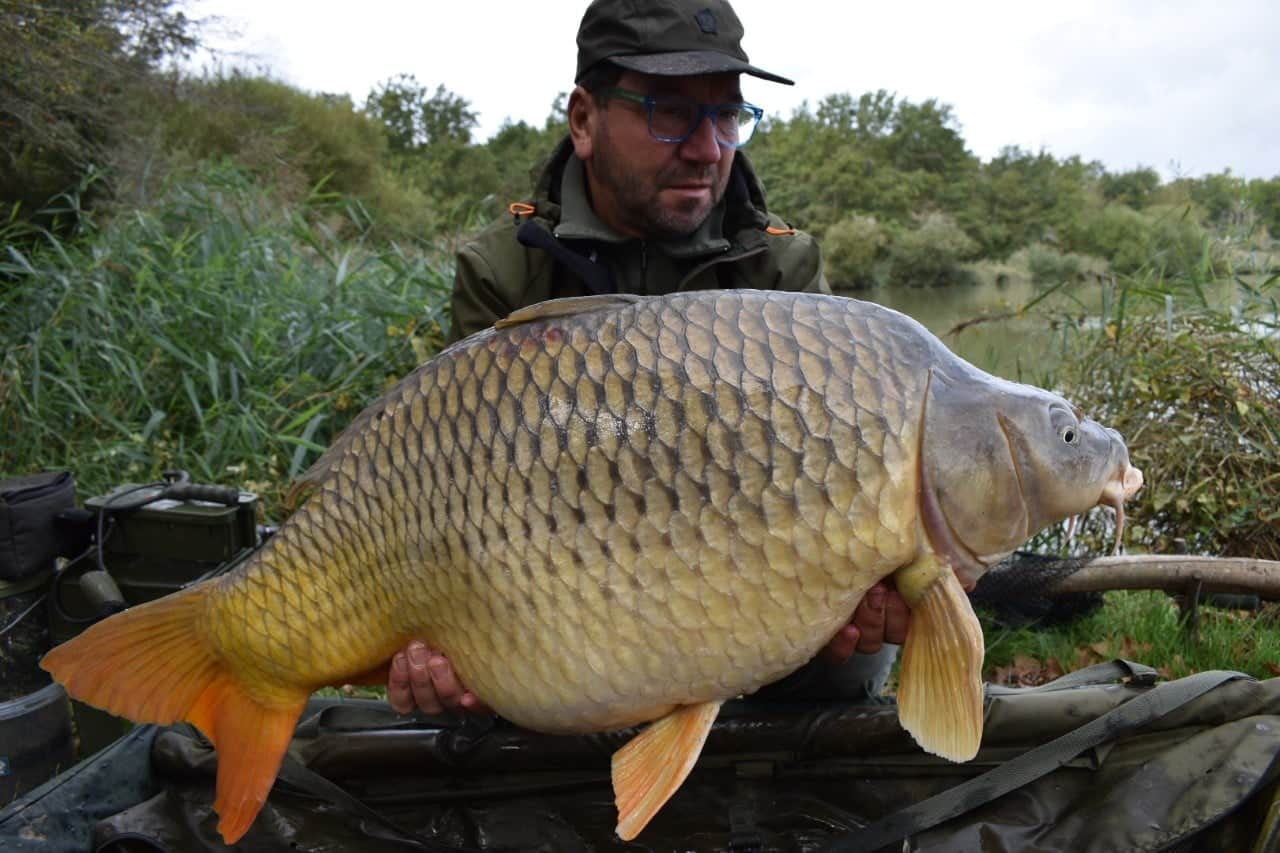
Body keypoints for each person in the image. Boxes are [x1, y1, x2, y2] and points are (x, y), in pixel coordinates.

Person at [387, 0, 909, 717]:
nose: (707, 149)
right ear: (584, 119)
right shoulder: (506, 270)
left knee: (857, 651)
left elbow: (840, 467)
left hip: (751, 578)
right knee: (483, 677)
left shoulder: (782, 270)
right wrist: (458, 645)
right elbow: (461, 494)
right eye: (671, 112)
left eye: (726, 115)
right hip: (568, 581)